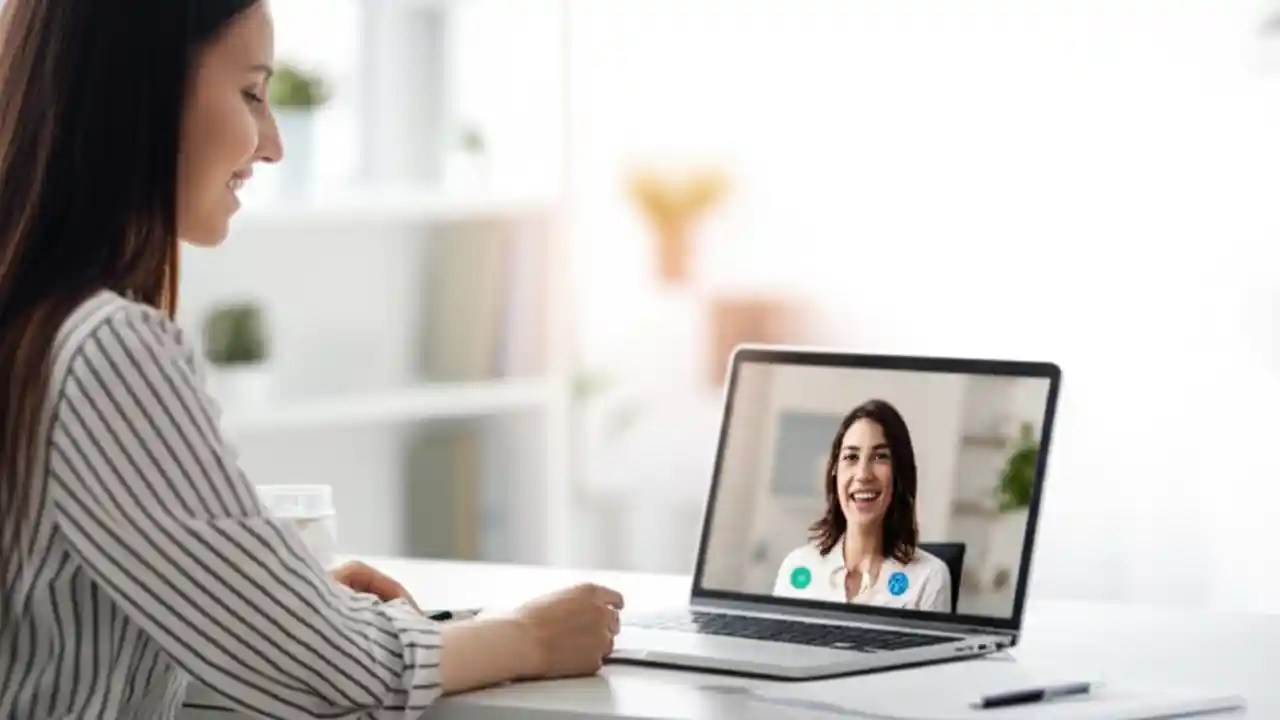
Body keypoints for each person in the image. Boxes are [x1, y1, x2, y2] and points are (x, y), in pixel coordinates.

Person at [0, 1, 622, 717]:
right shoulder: (104, 347)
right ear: (142, 93)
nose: (272, 145)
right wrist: (527, 637)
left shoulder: (33, 326)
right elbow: (322, 673)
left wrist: (286, 598)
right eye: (250, 93)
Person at [773, 399, 951, 612]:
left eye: (879, 457)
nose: (863, 474)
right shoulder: (798, 566)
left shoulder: (929, 577)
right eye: (851, 457)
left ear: (899, 474)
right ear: (835, 472)